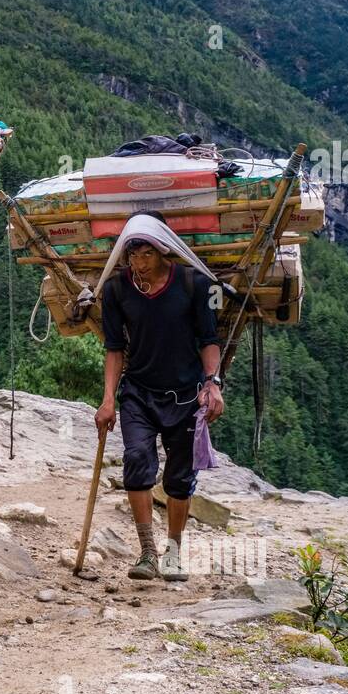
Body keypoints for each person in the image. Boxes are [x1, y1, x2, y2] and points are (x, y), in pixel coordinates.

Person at [94, 217, 225, 582]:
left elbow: (208, 339)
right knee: (137, 460)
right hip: (138, 393)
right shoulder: (118, 290)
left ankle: (174, 552)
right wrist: (108, 400)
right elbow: (115, 348)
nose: (138, 261)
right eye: (132, 253)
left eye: (146, 252)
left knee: (180, 479)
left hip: (185, 396)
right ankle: (148, 552)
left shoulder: (191, 284)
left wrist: (212, 384)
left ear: (163, 250)